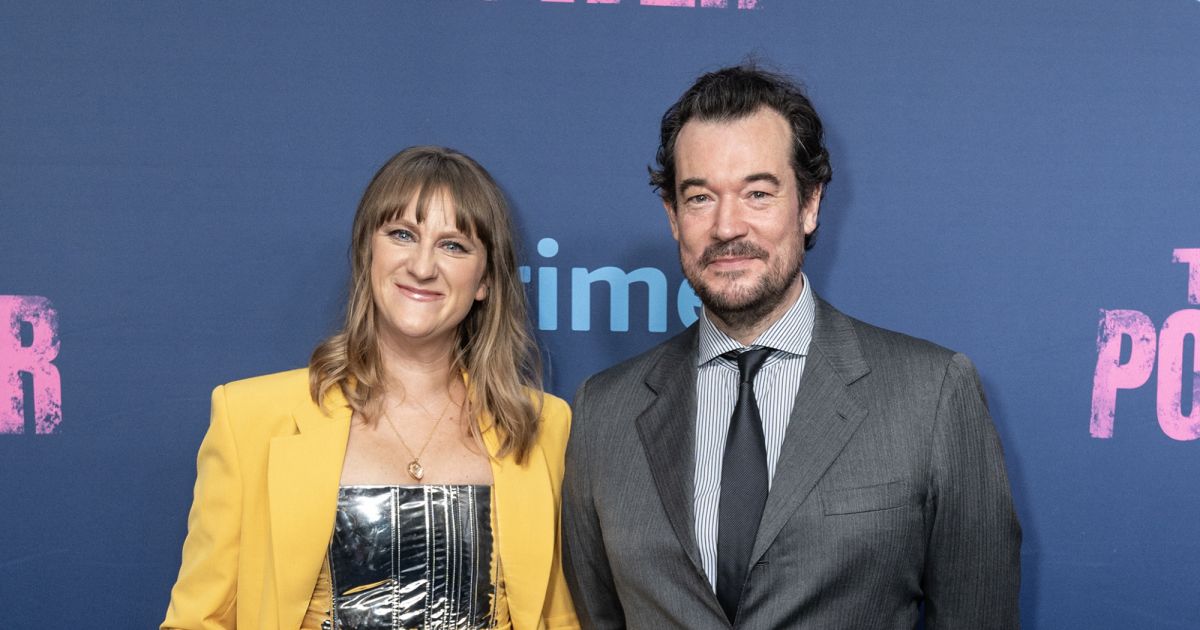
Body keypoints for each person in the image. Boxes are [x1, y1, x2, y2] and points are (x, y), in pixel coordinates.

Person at [562, 65, 1021, 629]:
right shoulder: (602, 413)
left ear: (809, 205)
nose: (728, 226)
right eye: (701, 197)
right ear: (673, 218)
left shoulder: (931, 395)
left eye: (758, 193)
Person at [163, 146, 579, 630]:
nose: (422, 267)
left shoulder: (544, 425)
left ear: (484, 279)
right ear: (368, 252)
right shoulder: (249, 418)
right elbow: (199, 619)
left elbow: (562, 618)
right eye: (403, 235)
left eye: (453, 246)